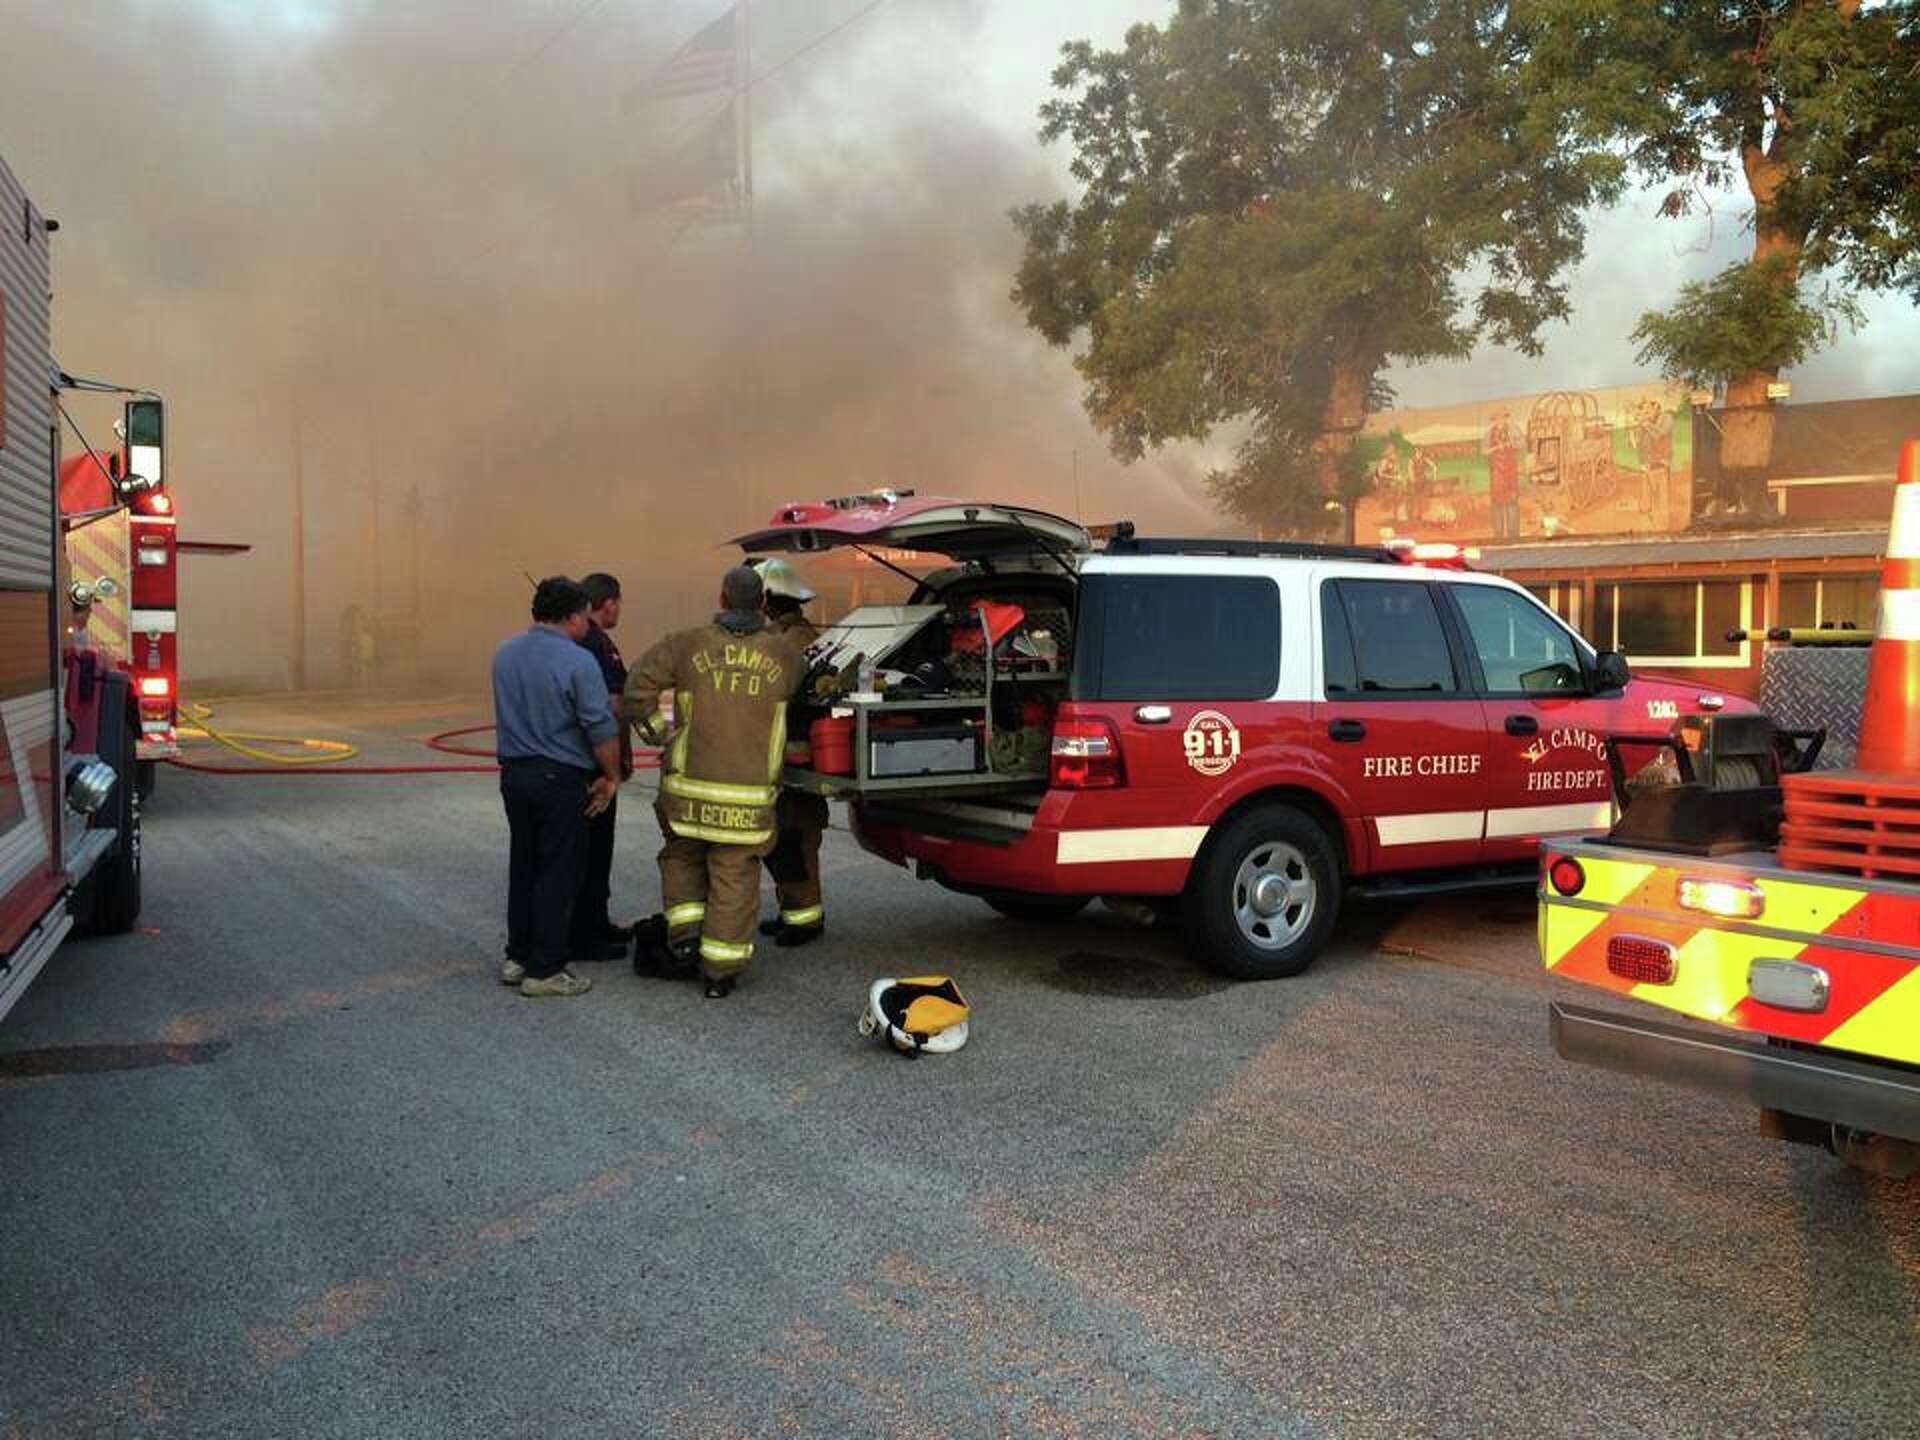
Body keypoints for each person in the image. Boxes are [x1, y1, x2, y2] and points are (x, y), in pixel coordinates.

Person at [625, 564, 805, 998]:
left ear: (721, 599)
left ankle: (684, 941)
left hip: (687, 792)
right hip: (748, 797)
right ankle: (719, 972)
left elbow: (636, 687)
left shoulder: (686, 645)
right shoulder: (786, 655)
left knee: (682, 858)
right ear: (762, 603)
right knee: (734, 875)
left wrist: (656, 732)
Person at [491, 577, 622, 998]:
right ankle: (545, 968)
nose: (588, 624)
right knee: (558, 871)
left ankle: (519, 956)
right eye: (585, 616)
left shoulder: (504, 654)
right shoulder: (578, 660)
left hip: (514, 776)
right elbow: (599, 726)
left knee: (524, 865)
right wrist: (612, 774)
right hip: (559, 778)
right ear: (572, 616)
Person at [753, 557, 829, 947]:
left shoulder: (791, 640)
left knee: (795, 838)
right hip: (784, 752)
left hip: (794, 753)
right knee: (783, 839)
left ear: (767, 599)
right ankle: (792, 911)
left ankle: (805, 920)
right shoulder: (787, 634)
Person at [569, 571, 633, 960]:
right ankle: (586, 933)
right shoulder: (598, 644)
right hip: (596, 760)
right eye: (618, 602)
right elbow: (612, 703)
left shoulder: (581, 641)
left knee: (596, 847)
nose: (619, 609)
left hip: (586, 757)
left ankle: (597, 920)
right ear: (607, 602)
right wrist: (617, 760)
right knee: (593, 848)